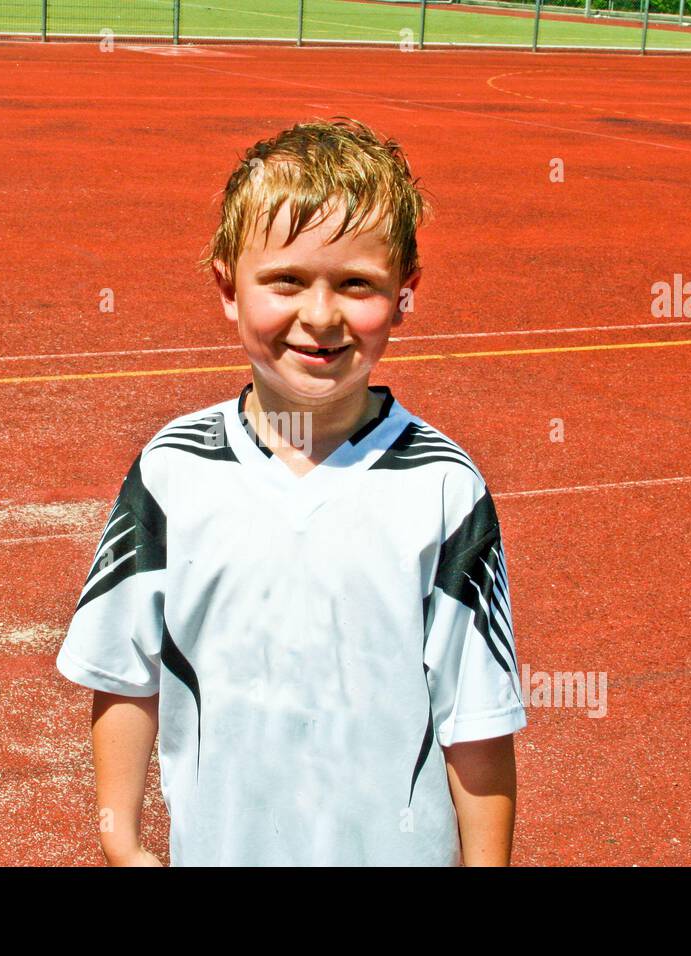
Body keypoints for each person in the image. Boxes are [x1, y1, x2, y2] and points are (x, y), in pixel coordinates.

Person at [56, 117, 525, 866]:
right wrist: (122, 839)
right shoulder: (173, 472)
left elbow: (476, 719)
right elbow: (122, 671)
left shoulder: (444, 489)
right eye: (286, 280)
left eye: (357, 285)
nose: (320, 316)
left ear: (405, 295)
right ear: (227, 287)